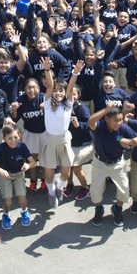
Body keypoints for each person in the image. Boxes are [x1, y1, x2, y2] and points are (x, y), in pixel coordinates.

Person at [87, 105, 137, 227]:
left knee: (124, 191)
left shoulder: (123, 128)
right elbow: (90, 121)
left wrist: (128, 142)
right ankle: (99, 210)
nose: (119, 123)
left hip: (117, 164)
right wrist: (106, 109)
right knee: (96, 191)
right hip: (99, 163)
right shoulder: (100, 126)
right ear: (107, 119)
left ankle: (117, 209)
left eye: (121, 120)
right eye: (116, 120)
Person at [40, 57, 81, 208]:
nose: (58, 92)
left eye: (61, 91)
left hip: (64, 141)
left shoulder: (68, 104)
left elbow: (70, 88)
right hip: (50, 141)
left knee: (65, 174)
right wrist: (46, 69)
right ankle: (51, 192)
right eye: (56, 91)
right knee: (49, 174)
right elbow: (50, 85)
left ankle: (59, 187)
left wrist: (75, 72)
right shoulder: (47, 102)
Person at [0, 123, 35, 230]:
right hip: (6, 175)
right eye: (10, 138)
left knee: (22, 199)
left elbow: (33, 162)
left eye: (15, 137)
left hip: (19, 174)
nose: (13, 141)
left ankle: (24, 211)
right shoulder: (1, 148)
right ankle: (6, 214)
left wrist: (28, 165)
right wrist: (0, 170)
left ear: (19, 136)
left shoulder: (22, 146)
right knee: (8, 201)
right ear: (4, 139)